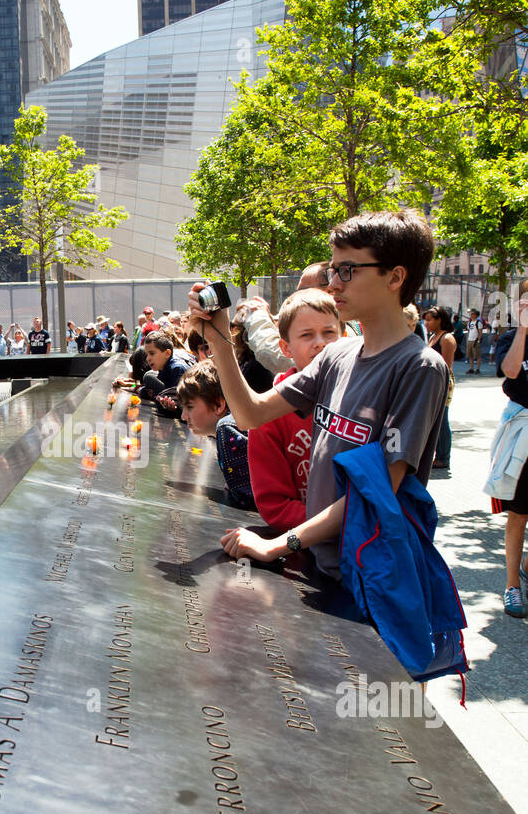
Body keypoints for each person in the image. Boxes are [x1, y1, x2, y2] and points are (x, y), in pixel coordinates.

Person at [191, 209, 449, 584]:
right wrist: (218, 337)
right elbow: (249, 414)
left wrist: (279, 545)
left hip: (370, 578)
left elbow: (373, 493)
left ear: (395, 276)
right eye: (333, 270)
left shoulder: (419, 367)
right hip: (320, 564)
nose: (333, 285)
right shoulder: (336, 355)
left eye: (348, 270)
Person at [243, 290, 342, 533]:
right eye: (307, 335)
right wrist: (338, 527)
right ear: (286, 348)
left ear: (344, 336)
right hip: (312, 545)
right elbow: (275, 505)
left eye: (329, 332)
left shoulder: (363, 398)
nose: (320, 342)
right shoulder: (269, 416)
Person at [488, 278, 528, 617]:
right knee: (518, 514)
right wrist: (523, 331)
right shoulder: (510, 339)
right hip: (521, 434)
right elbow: (512, 369)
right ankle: (512, 585)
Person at [176, 360, 255, 509]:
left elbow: (247, 497)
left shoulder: (227, 428)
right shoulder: (234, 423)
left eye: (190, 407)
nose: (183, 416)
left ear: (219, 405)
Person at [423, 307, 456, 471]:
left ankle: (443, 457)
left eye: (429, 320)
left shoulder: (446, 338)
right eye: (425, 320)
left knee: (442, 420)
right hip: (432, 382)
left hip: (442, 383)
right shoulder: (433, 337)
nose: (426, 323)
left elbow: (446, 367)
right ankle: (436, 454)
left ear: (440, 320)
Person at [140, 330, 193, 406]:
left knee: (148, 376)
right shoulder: (165, 364)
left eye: (152, 353)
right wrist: (134, 387)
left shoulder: (177, 369)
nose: (147, 358)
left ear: (167, 353)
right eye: (147, 354)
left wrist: (157, 399)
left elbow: (179, 403)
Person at [466, 309, 483, 373]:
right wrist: (467, 339)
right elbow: (468, 331)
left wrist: (478, 340)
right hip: (470, 340)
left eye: (473, 314)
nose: (471, 315)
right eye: (471, 314)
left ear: (476, 315)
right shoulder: (469, 322)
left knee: (477, 355)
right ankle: (471, 368)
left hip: (475, 340)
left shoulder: (478, 322)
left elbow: (480, 332)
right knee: (470, 355)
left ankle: (478, 368)